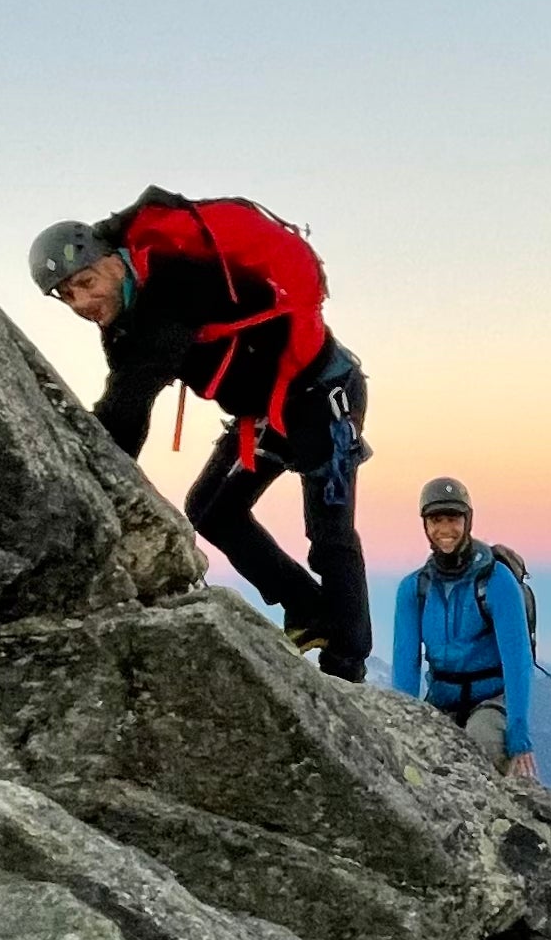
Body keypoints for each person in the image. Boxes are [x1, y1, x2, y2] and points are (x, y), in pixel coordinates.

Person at [31, 190, 372, 681]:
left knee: (330, 534)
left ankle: (347, 664)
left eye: (86, 283)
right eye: (67, 295)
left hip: (323, 393)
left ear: (112, 262)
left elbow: (128, 404)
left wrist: (88, 477)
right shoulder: (126, 314)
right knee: (213, 511)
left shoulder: (169, 288)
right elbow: (129, 400)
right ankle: (311, 613)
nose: (81, 302)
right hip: (267, 408)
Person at [389, 477, 537, 778]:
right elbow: (406, 665)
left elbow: (518, 659)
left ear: (467, 520)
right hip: (442, 700)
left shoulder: (496, 581)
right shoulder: (414, 588)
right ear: (425, 525)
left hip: (490, 700)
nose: (445, 530)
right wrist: (402, 724)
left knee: (482, 744)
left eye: (453, 518)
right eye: (435, 519)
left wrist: (518, 732)